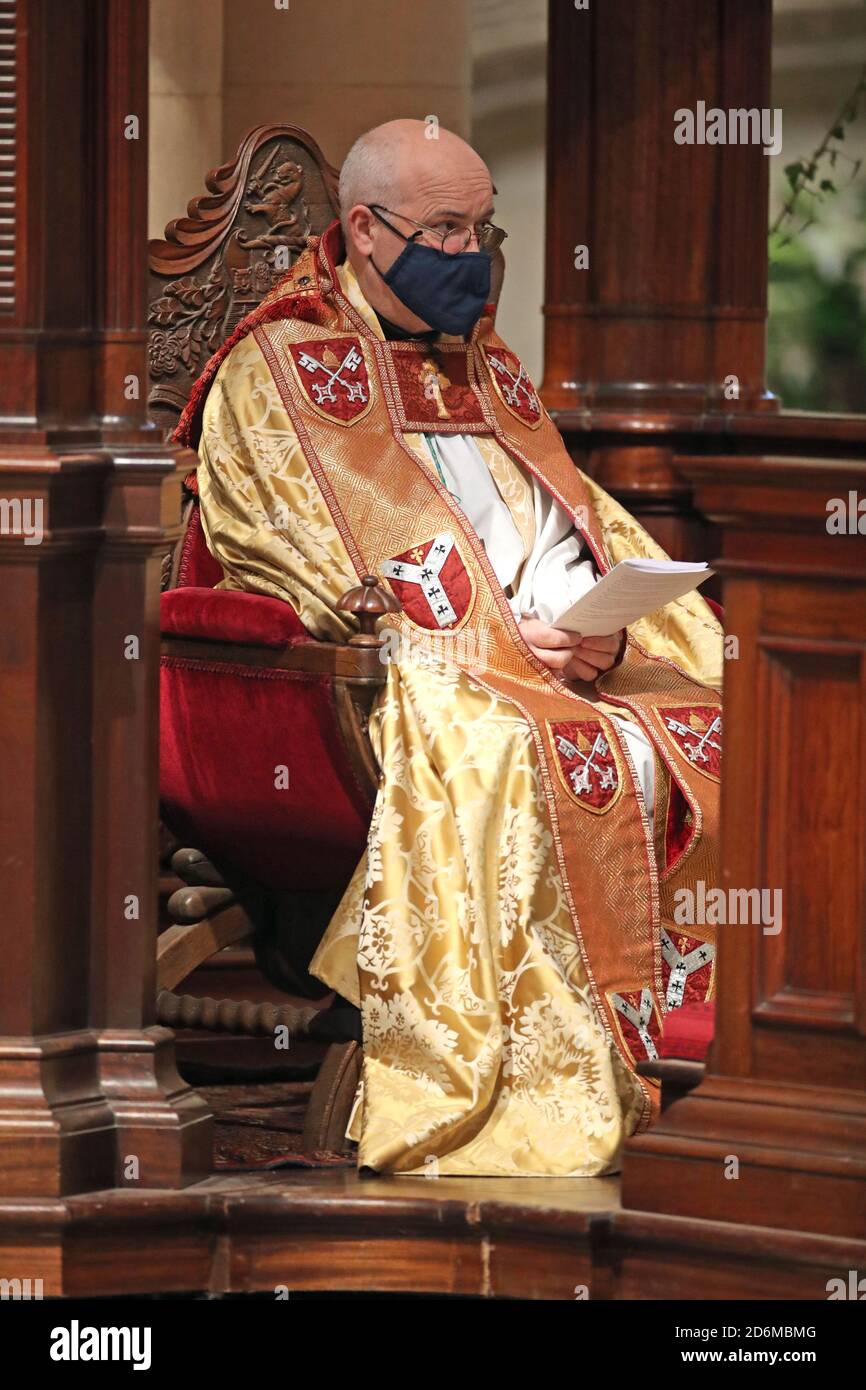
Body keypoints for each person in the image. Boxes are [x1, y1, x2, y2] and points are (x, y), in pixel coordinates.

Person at [176, 119, 723, 1177]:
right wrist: (501, 640)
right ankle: (544, 1065)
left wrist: (585, 624)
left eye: (482, 228)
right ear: (365, 232)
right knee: (516, 752)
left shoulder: (484, 365)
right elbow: (298, 556)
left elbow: (564, 520)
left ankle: (694, 1047)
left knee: (704, 711)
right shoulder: (280, 369)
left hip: (543, 656)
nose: (471, 256)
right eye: (443, 230)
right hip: (393, 681)